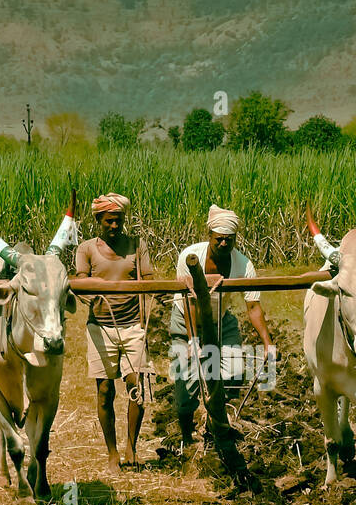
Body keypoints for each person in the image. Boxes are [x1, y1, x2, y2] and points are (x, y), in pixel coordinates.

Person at [170, 206, 277, 449]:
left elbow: (253, 306)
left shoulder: (243, 265)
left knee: (232, 372)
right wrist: (193, 340)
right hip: (187, 318)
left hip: (220, 318)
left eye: (229, 240)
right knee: (185, 389)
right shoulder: (190, 257)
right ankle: (187, 436)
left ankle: (215, 423)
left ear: (235, 240)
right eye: (219, 239)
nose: (223, 244)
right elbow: (189, 304)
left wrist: (268, 343)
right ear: (209, 235)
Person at [73, 193, 156, 473]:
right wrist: (99, 286)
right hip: (101, 327)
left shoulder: (136, 245)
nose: (114, 226)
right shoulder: (86, 249)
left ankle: (131, 445)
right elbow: (81, 282)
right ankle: (112, 453)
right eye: (109, 221)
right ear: (98, 220)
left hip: (133, 325)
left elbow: (148, 281)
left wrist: (145, 319)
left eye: (118, 221)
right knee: (105, 390)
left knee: (136, 387)